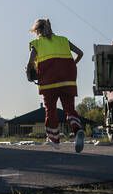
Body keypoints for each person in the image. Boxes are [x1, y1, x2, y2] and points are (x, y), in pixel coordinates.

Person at [27, 19, 85, 152]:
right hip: (67, 81)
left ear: (37, 31)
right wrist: (71, 65)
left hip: (48, 83)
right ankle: (78, 131)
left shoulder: (37, 43)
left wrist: (29, 73)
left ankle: (54, 140)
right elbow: (80, 53)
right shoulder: (63, 40)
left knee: (51, 110)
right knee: (70, 109)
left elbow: (30, 62)